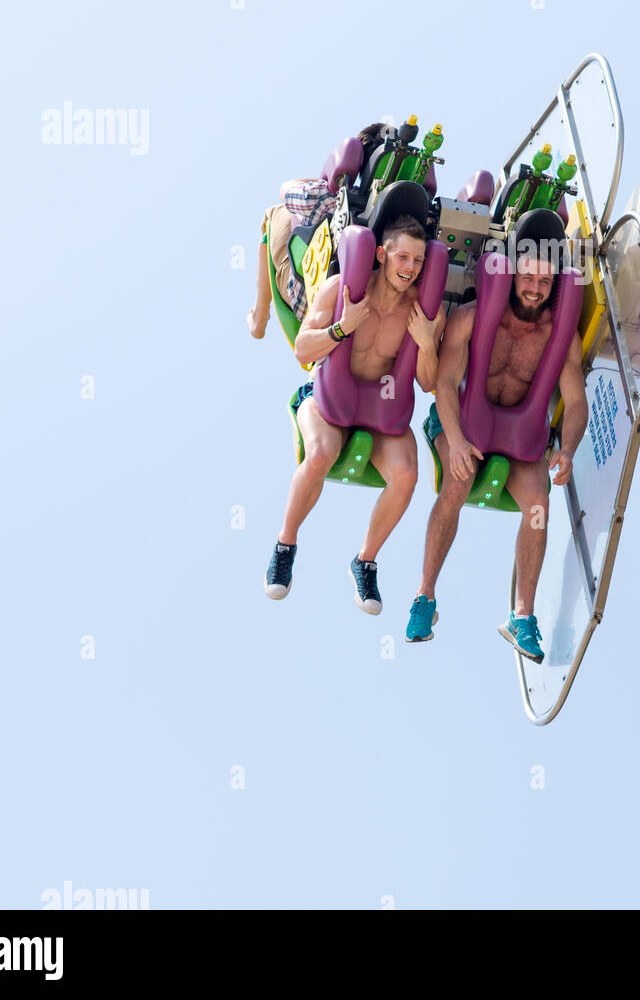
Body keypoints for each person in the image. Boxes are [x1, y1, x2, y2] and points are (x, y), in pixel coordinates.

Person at [406, 251, 587, 663]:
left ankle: (522, 616)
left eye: (545, 282)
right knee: (458, 483)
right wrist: (454, 440)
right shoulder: (470, 317)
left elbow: (576, 402)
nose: (535, 289)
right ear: (513, 275)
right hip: (463, 423)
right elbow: (446, 384)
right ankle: (425, 597)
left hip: (521, 438)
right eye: (529, 278)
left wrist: (568, 450)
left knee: (539, 507)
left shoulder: (561, 336)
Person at [264, 214, 445, 613]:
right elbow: (303, 350)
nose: (409, 269)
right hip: (330, 399)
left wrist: (427, 345)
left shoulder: (425, 311)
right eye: (402, 257)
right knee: (321, 455)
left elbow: (429, 383)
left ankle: (365, 561)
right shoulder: (340, 288)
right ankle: (286, 544)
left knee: (408, 475)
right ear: (381, 254)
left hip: (382, 409)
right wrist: (342, 328)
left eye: (417, 261)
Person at [248, 122, 392, 338]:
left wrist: (324, 180)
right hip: (382, 311)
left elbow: (285, 190)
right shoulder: (410, 220)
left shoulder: (327, 196)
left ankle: (259, 315)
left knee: (275, 214)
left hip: (310, 304)